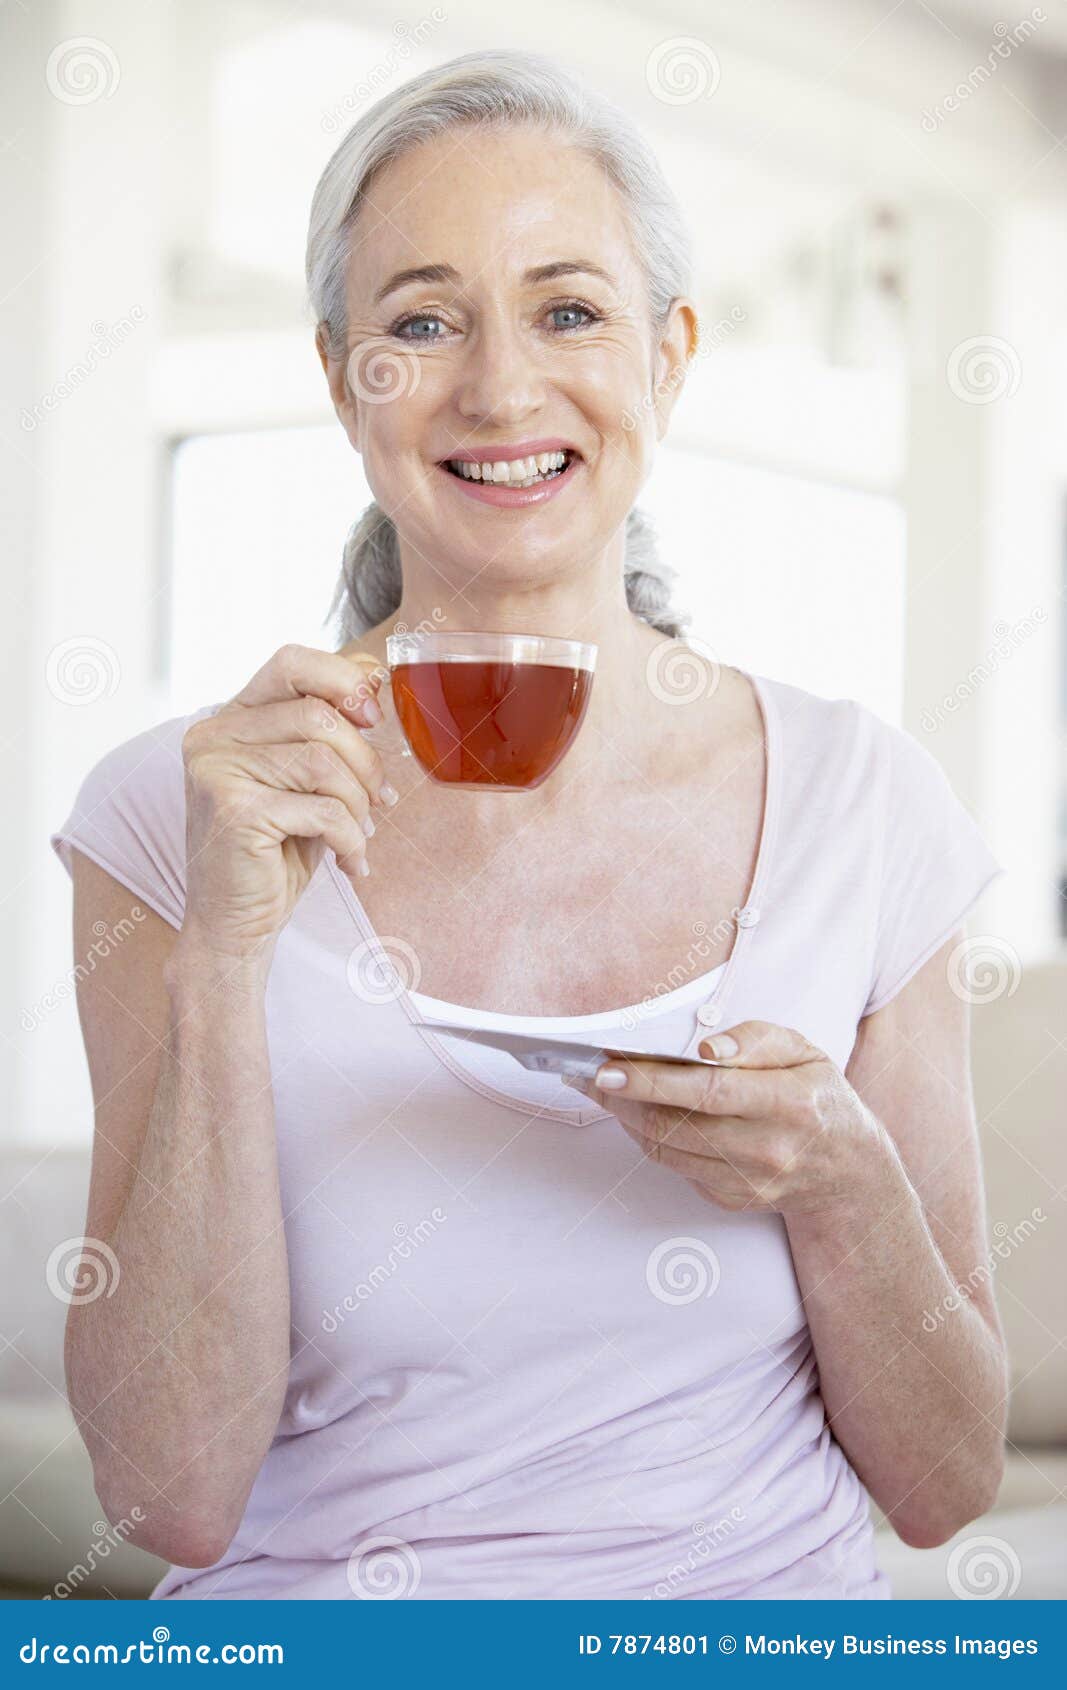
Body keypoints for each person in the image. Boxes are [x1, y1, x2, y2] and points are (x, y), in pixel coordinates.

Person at [51, 50, 1007, 1601]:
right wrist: (225, 965)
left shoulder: (865, 803)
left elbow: (947, 1483)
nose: (500, 389)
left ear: (671, 357)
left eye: (569, 309)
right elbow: (169, 1494)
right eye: (422, 322)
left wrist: (844, 1176)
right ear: (339, 375)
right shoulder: (176, 812)